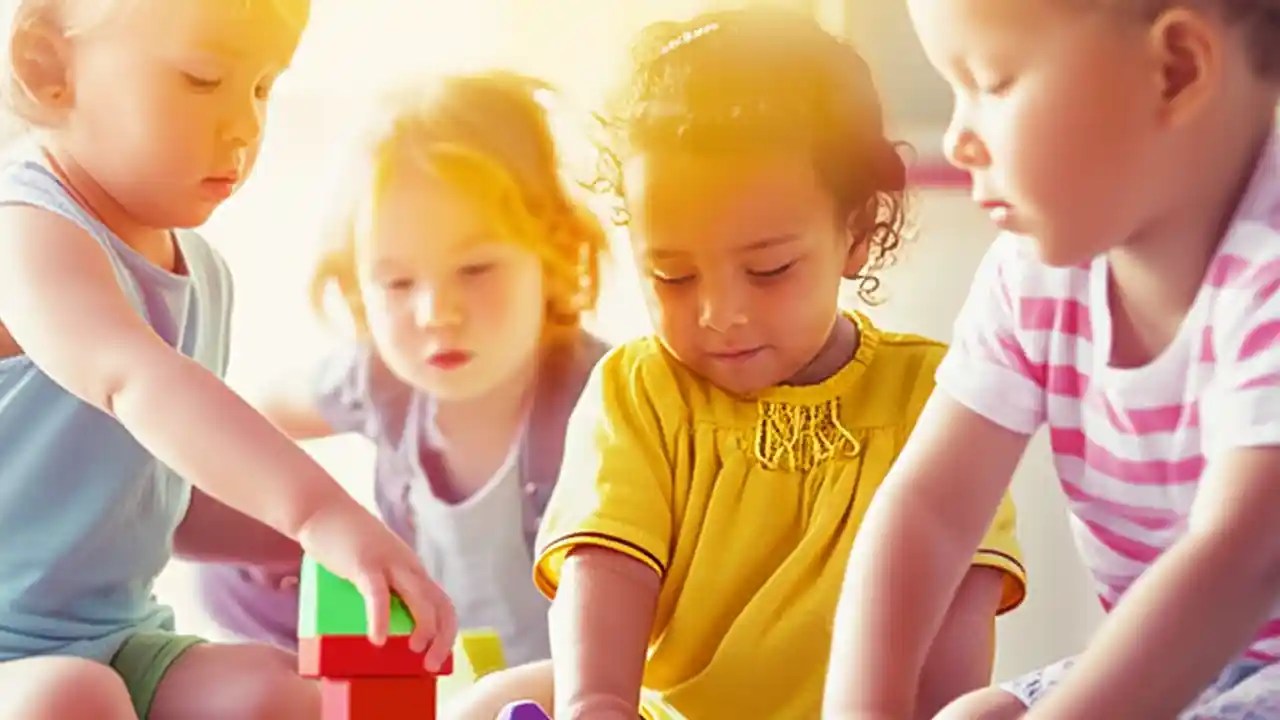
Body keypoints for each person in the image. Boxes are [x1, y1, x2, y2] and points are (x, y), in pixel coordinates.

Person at [451, 8, 1027, 719]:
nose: (718, 314)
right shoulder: (642, 392)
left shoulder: (933, 398)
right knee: (491, 701)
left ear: (858, 233)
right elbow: (606, 573)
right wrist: (597, 703)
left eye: (768, 269)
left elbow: (953, 611)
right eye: (673, 276)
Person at [825, 1, 1280, 718]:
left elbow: (1239, 562)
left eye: (994, 83)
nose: (958, 138)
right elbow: (928, 512)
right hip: (1208, 675)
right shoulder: (1035, 276)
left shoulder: (1270, 268)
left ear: (1175, 71)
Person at [0, 1, 455, 717]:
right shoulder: (24, 233)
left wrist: (299, 546)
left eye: (262, 88)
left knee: (271, 694)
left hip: (117, 642)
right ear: (50, 69)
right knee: (69, 697)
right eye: (202, 79)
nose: (243, 126)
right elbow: (132, 383)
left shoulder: (204, 276)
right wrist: (314, 513)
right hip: (17, 662)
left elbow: (158, 493)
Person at [194, 71, 610, 668]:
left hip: (562, 679)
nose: (437, 312)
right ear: (359, 287)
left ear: (554, 251)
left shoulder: (602, 400)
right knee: (234, 564)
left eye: (476, 270)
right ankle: (330, 684)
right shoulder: (377, 379)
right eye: (398, 282)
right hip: (426, 658)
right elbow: (251, 418)